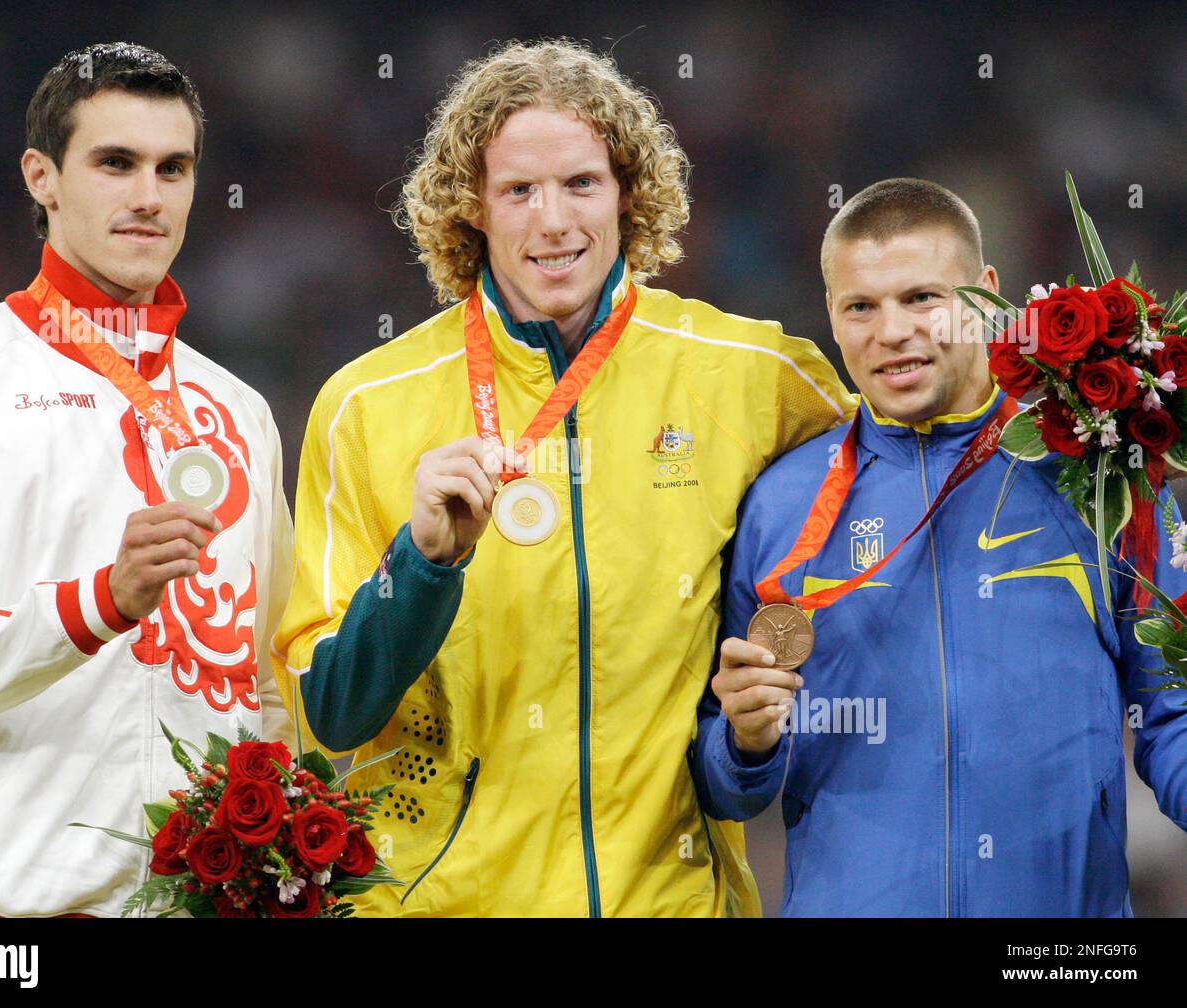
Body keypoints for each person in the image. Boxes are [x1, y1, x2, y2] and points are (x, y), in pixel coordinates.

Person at [272, 38, 854, 917]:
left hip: (673, 899)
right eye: (519, 191)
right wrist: (422, 564)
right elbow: (331, 716)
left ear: (628, 190)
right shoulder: (366, 406)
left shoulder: (750, 373)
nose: (553, 222)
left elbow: (907, 466)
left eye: (582, 183)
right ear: (470, 205)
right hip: (443, 902)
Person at [692, 177, 1187, 916]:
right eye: (861, 305)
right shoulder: (778, 505)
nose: (891, 331)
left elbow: (1173, 711)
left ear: (986, 293)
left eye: (921, 297)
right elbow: (725, 783)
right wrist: (743, 741)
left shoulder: (1096, 470)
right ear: (831, 314)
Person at [0, 42, 293, 917]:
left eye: (173, 167)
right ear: (42, 176)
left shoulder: (241, 412)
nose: (149, 196)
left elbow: (263, 683)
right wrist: (102, 598)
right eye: (115, 163)